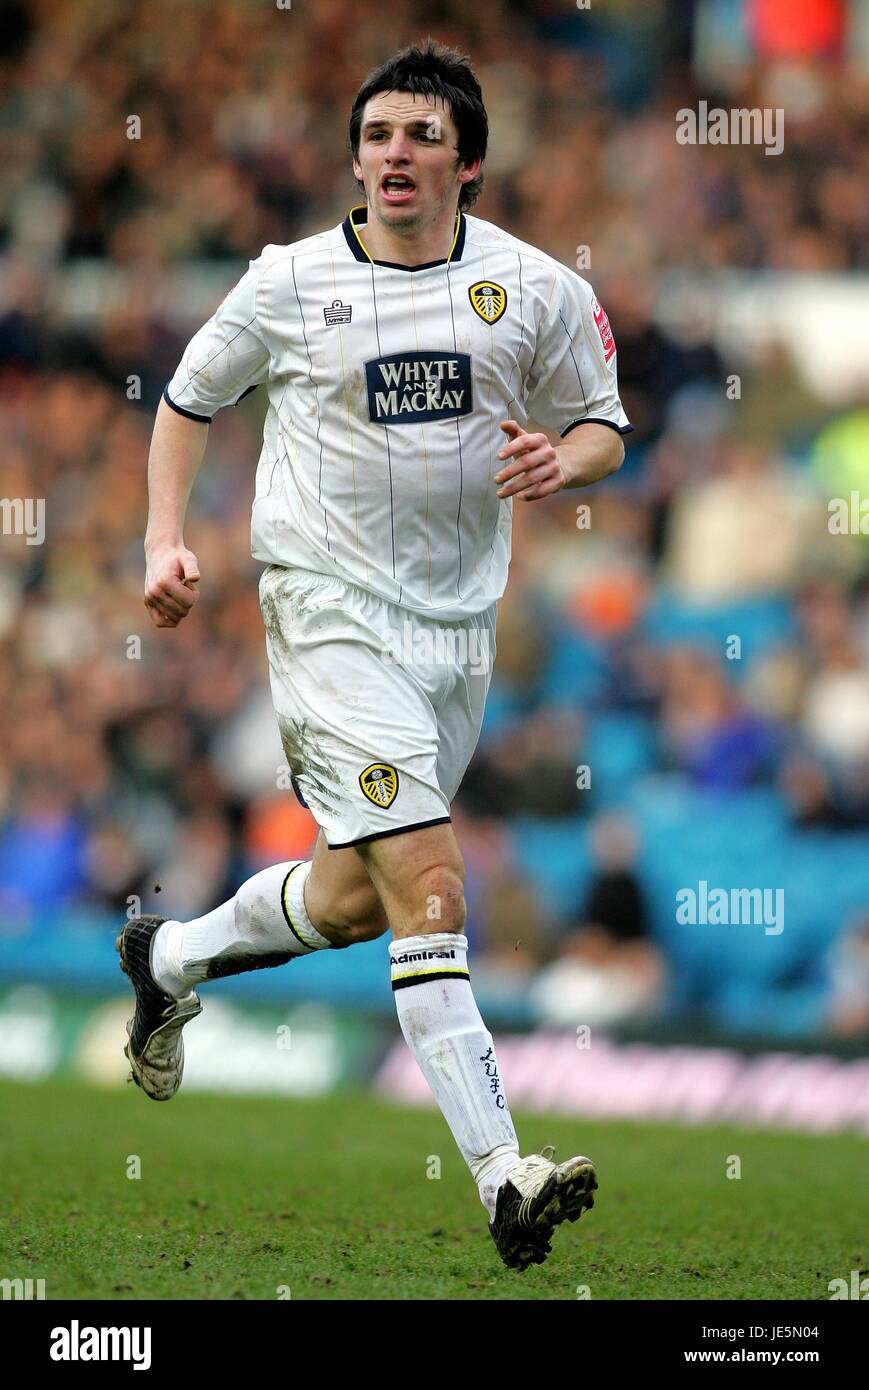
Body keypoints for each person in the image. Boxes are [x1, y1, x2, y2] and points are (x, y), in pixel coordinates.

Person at [118, 40, 631, 1271]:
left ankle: (168, 955)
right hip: (326, 608)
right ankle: (502, 1171)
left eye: (420, 136)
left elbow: (604, 424)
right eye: (377, 134)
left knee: (361, 898)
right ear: (354, 156)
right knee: (431, 877)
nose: (395, 154)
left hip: (455, 630)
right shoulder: (288, 282)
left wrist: (563, 463)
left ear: (467, 160)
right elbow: (189, 400)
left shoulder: (536, 287)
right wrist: (162, 539)